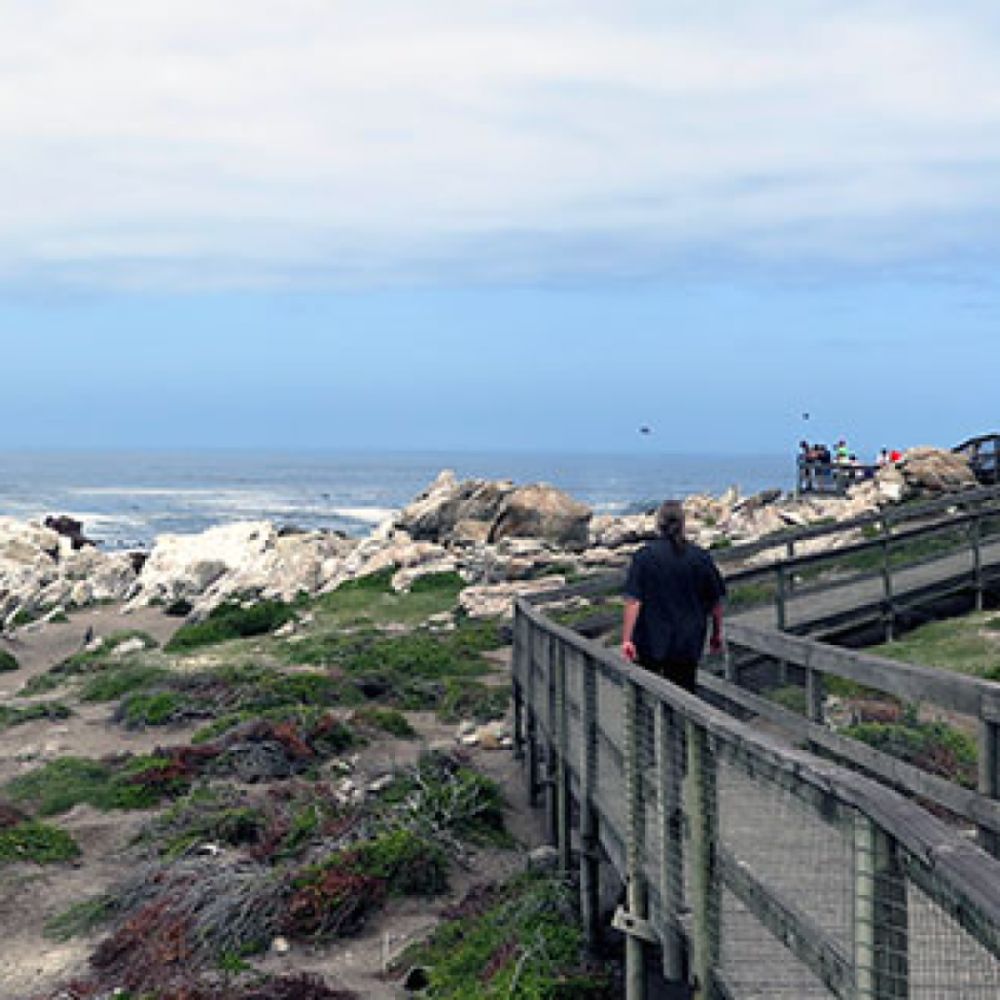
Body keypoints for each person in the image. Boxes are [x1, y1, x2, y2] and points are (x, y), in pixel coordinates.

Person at [621, 500, 726, 692]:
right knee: (684, 696)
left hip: (650, 641)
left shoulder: (644, 557)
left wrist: (627, 639)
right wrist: (716, 634)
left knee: (645, 697)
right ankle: (676, 723)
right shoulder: (700, 557)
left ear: (658, 524)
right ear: (683, 524)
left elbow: (633, 601)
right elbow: (716, 601)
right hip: (687, 642)